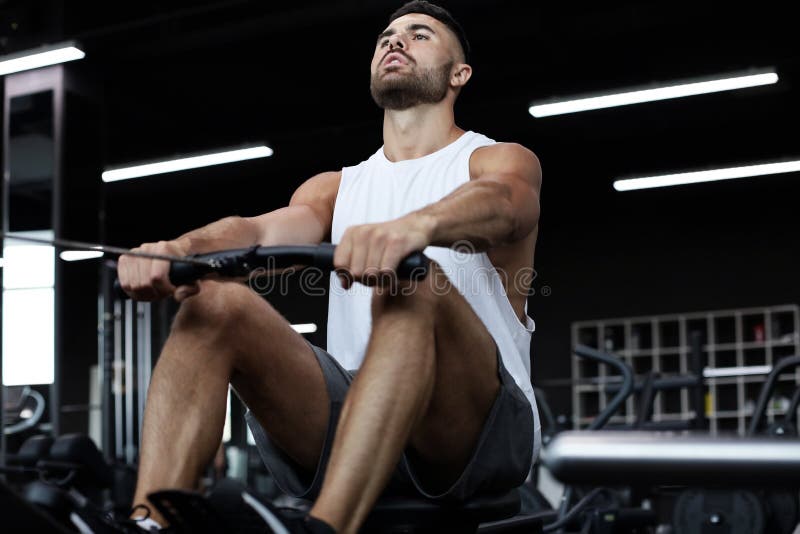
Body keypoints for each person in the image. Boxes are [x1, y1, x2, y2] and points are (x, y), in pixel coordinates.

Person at [117, 1, 542, 532]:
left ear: (460, 74)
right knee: (213, 301)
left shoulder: (495, 159)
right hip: (353, 417)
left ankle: (328, 528)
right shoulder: (335, 188)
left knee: (411, 281)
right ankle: (147, 522)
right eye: (386, 36)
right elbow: (257, 232)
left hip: (475, 432)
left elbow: (505, 203)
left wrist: (416, 227)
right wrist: (180, 249)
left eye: (419, 35)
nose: (395, 42)